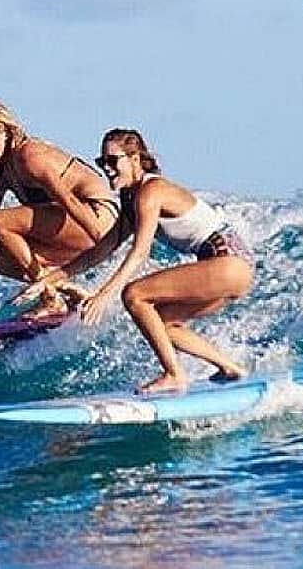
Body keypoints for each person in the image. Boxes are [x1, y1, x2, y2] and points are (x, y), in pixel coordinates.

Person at [30, 129, 252, 394]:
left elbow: (139, 252)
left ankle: (174, 375)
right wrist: (50, 278)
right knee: (162, 323)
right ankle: (230, 368)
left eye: (113, 161)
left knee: (134, 295)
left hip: (229, 261)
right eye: (103, 163)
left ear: (135, 158)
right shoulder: (131, 197)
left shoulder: (151, 191)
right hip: (230, 266)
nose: (107, 170)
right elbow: (104, 248)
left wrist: (103, 296)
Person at [0, 100, 119, 320]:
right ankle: (67, 291)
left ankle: (51, 297)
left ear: (4, 131)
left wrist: (103, 240)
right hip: (74, 227)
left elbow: (68, 199)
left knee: (0, 220)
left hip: (97, 217)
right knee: (1, 260)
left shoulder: (29, 157)